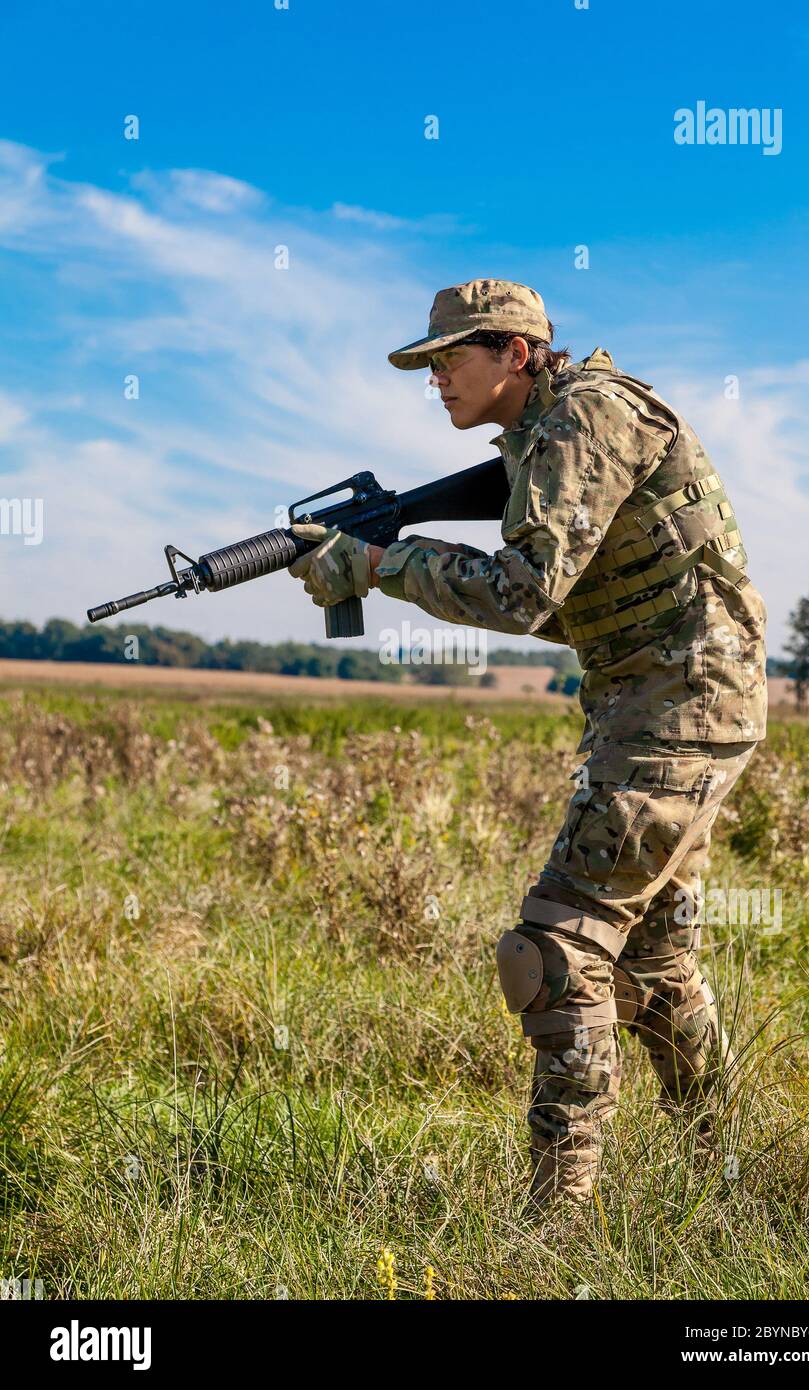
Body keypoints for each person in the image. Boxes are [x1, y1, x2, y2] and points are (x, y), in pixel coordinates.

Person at [289, 279, 768, 1209]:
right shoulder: (545, 440)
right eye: (427, 365)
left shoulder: (586, 422)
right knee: (657, 967)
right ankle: (731, 1176)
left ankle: (558, 1227)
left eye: (449, 359)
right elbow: (579, 607)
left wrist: (385, 566)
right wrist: (393, 560)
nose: (435, 380)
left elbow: (520, 596)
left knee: (551, 951)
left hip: (681, 708)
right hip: (666, 703)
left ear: (515, 353)